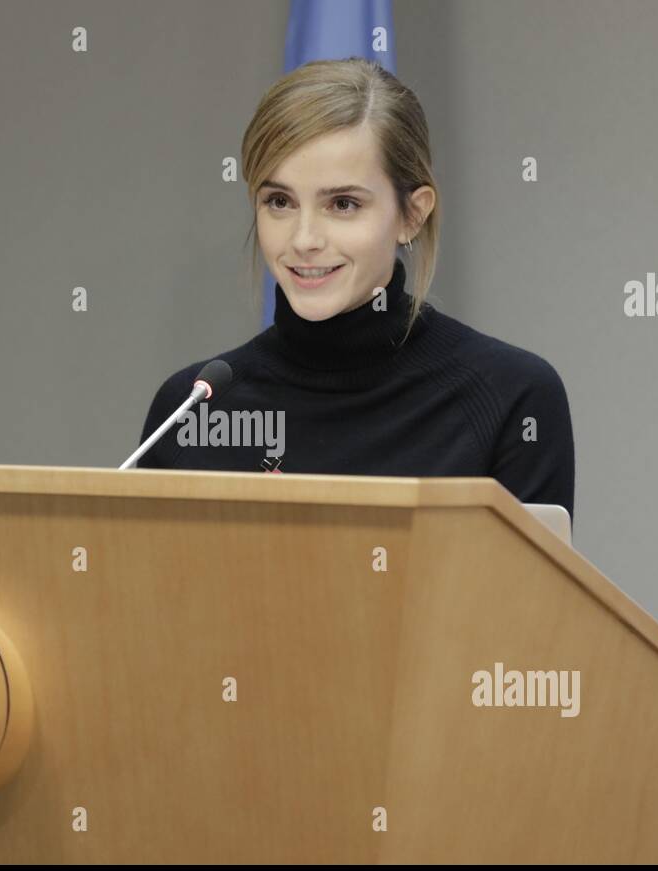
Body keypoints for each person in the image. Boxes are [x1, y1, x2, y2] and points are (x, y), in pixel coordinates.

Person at [136, 57, 575, 524]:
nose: (304, 239)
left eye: (342, 204)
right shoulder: (193, 407)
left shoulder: (513, 398)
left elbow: (523, 598)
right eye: (279, 202)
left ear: (412, 214)